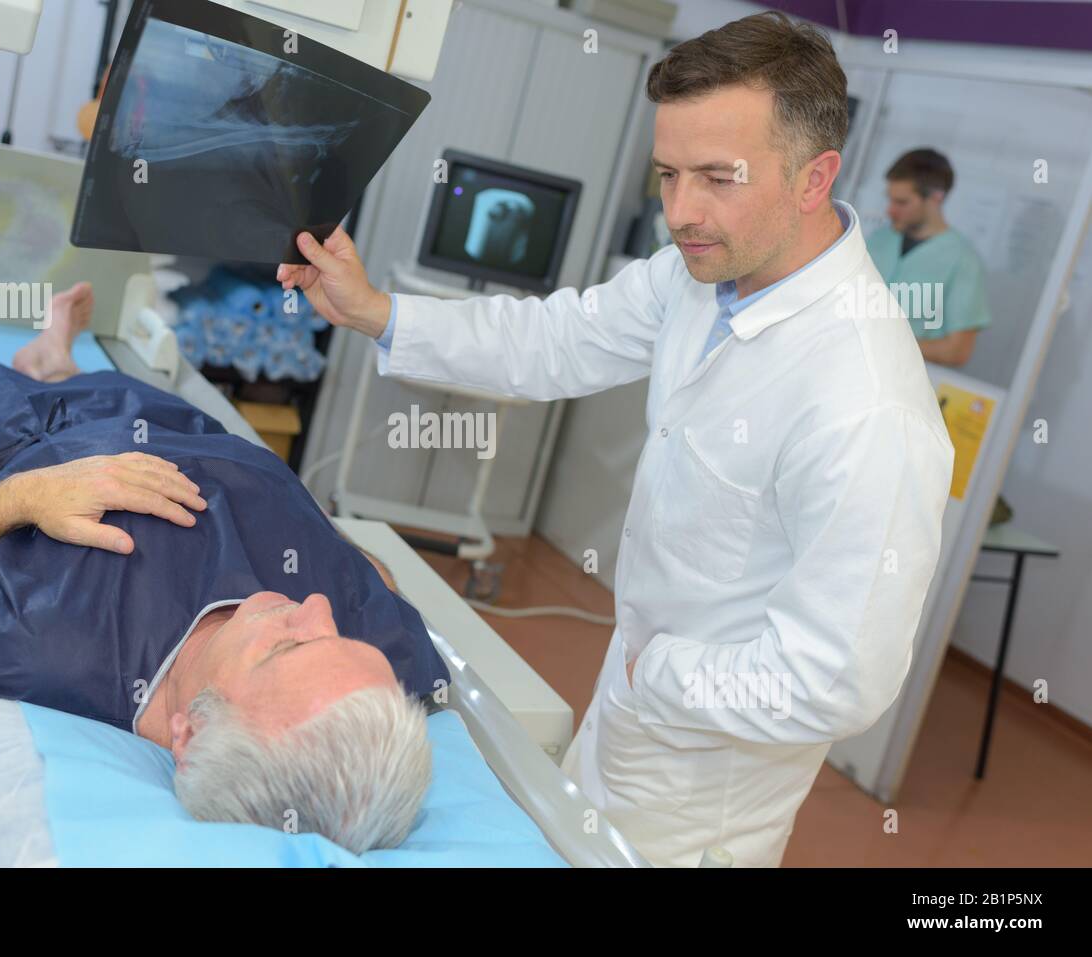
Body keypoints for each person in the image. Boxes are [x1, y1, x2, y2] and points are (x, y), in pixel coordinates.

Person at [279, 11, 955, 866]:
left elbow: (838, 682)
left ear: (815, 176)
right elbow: (557, 340)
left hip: (704, 798)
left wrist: (656, 674)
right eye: (667, 174)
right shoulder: (705, 274)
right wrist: (379, 313)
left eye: (718, 176)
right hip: (625, 718)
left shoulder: (865, 404)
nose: (682, 211)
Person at [0, 256, 448, 854]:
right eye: (336, 633)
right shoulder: (375, 667)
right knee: (96, 383)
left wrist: (21, 497)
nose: (315, 606)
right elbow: (379, 591)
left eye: (289, 646)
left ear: (191, 733)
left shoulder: (53, 648)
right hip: (167, 417)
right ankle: (55, 357)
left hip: (29, 436)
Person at [865, 148, 992, 367]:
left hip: (899, 383)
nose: (890, 210)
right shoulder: (879, 240)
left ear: (936, 197)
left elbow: (957, 352)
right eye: (890, 200)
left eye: (902, 202)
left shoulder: (963, 261)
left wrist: (886, 342)